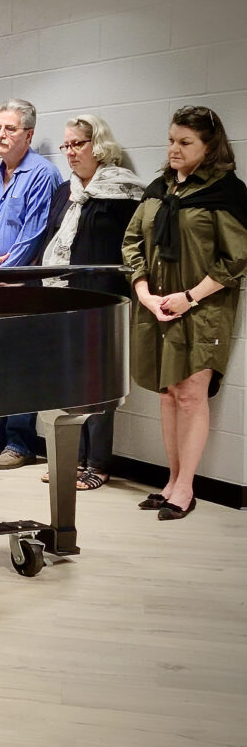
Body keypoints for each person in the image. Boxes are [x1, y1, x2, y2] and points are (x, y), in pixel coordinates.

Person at [122, 106, 247, 520]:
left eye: (185, 143)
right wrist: (142, 292)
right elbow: (132, 243)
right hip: (157, 306)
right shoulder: (159, 188)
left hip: (202, 308)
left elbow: (236, 259)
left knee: (192, 394)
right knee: (168, 392)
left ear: (209, 147)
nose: (174, 149)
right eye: (172, 140)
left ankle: (186, 487)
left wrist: (190, 297)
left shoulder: (227, 192)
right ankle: (170, 479)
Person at [33, 115, 144, 490]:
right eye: (66, 145)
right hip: (63, 297)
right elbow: (49, 239)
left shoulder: (122, 191)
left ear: (98, 145)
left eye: (77, 144)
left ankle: (97, 463)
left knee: (98, 383)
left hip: (102, 299)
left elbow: (132, 246)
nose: (70, 152)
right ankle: (71, 458)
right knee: (68, 383)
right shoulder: (64, 191)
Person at [0, 98, 61, 470]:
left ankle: (19, 443)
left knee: (19, 366)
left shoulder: (43, 175)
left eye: (10, 129)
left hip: (20, 288)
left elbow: (35, 235)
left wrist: (4, 275)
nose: (1, 135)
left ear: (28, 134)